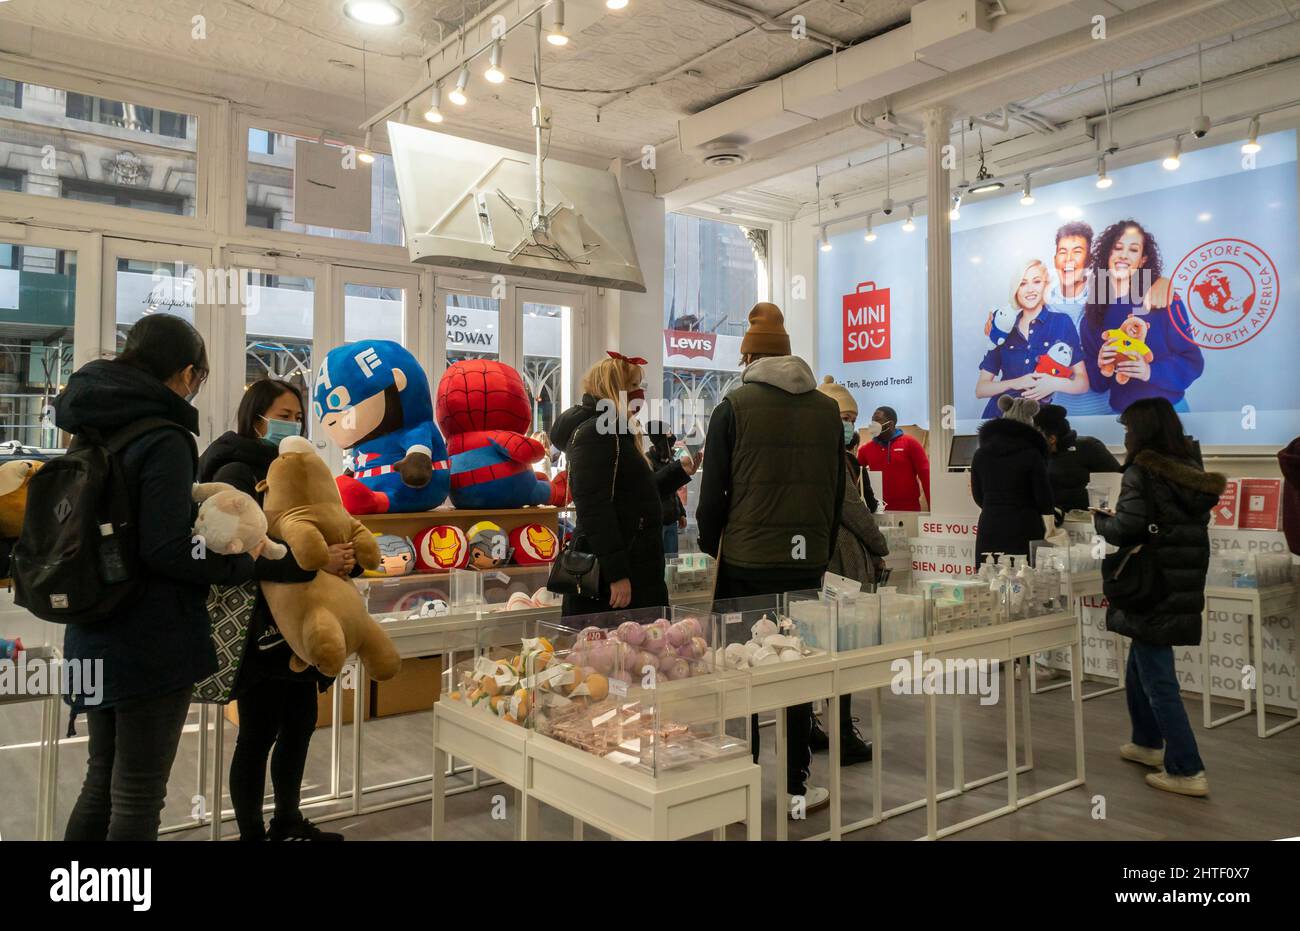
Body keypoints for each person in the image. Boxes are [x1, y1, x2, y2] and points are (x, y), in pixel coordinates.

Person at [52, 314, 257, 841]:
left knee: (101, 780)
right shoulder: (163, 435)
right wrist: (238, 563)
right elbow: (166, 547)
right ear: (186, 373)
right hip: (149, 639)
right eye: (199, 379)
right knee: (139, 793)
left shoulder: (92, 423)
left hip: (89, 623)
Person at [697, 302, 844, 816]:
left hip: (745, 564)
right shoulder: (828, 411)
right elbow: (836, 491)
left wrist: (711, 542)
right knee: (795, 673)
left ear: (749, 357)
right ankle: (795, 791)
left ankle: (736, 786)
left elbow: (711, 492)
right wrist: (818, 551)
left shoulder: (733, 407)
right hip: (805, 566)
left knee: (736, 673)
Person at [198, 378, 357, 841]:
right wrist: (314, 562)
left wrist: (342, 555)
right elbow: (239, 554)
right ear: (257, 416)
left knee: (300, 725)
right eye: (283, 415)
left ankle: (288, 817)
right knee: (257, 735)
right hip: (258, 629)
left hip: (303, 625)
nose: (292, 424)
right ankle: (251, 833)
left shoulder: (298, 468)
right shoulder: (231, 472)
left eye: (297, 416)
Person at [1093, 398, 1224, 798]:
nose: (1126, 435)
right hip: (1178, 579)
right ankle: (1147, 742)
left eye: (1129, 428)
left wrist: (1102, 519)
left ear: (1143, 431)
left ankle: (1187, 768)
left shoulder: (1142, 471)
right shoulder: (1191, 468)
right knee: (1144, 657)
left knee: (1158, 676)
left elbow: (1128, 529)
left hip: (1150, 580)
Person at [549, 353, 675, 617]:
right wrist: (617, 573)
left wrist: (677, 473)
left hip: (635, 562)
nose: (639, 393)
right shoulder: (598, 433)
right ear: (613, 388)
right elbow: (594, 508)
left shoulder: (617, 431)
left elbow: (635, 496)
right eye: (632, 386)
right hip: (615, 574)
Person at [810, 376, 884, 765]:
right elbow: (855, 511)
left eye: (853, 418)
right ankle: (842, 735)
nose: (849, 426)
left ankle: (812, 726)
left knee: (815, 645)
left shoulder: (810, 452)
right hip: (841, 563)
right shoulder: (835, 459)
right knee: (842, 647)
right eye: (843, 417)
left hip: (818, 561)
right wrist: (880, 545)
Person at [1079, 219, 1204, 414]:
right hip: (1122, 416)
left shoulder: (1161, 299)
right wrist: (1102, 364)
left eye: (1133, 250)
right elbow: (1098, 384)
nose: (1124, 256)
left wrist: (1150, 371)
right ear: (1106, 254)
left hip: (1170, 412)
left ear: (1143, 259)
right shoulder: (1092, 315)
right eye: (1117, 248)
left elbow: (1192, 361)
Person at [975, 259, 1090, 418]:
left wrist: (1054, 383)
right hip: (999, 420)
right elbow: (981, 389)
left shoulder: (1062, 322)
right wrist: (1017, 382)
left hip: (1039, 423)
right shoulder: (1003, 327)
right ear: (1016, 290)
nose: (1030, 289)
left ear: (1045, 285)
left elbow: (1082, 383)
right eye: (1022, 284)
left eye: (1036, 281)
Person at [970, 396, 1054, 566]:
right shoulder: (1032, 454)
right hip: (1025, 525)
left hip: (990, 524)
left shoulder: (981, 454)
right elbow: (1043, 498)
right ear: (1029, 423)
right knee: (1025, 583)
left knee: (989, 581)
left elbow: (978, 496)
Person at [1033, 403, 1122, 514]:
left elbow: (1116, 482)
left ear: (1052, 438)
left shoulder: (1089, 446)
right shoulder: (1036, 456)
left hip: (1089, 522)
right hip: (1053, 521)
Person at [857, 404, 929, 511]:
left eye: (877, 420)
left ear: (890, 424)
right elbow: (855, 476)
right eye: (872, 421)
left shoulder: (910, 443)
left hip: (909, 508)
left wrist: (934, 510)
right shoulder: (866, 449)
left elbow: (926, 476)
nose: (873, 424)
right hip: (879, 509)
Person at [645, 421, 698, 557]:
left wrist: (681, 513)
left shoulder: (667, 460)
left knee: (672, 561)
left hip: (671, 520)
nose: (671, 442)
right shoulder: (647, 461)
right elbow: (655, 488)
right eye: (667, 435)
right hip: (658, 523)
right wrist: (678, 468)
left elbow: (672, 490)